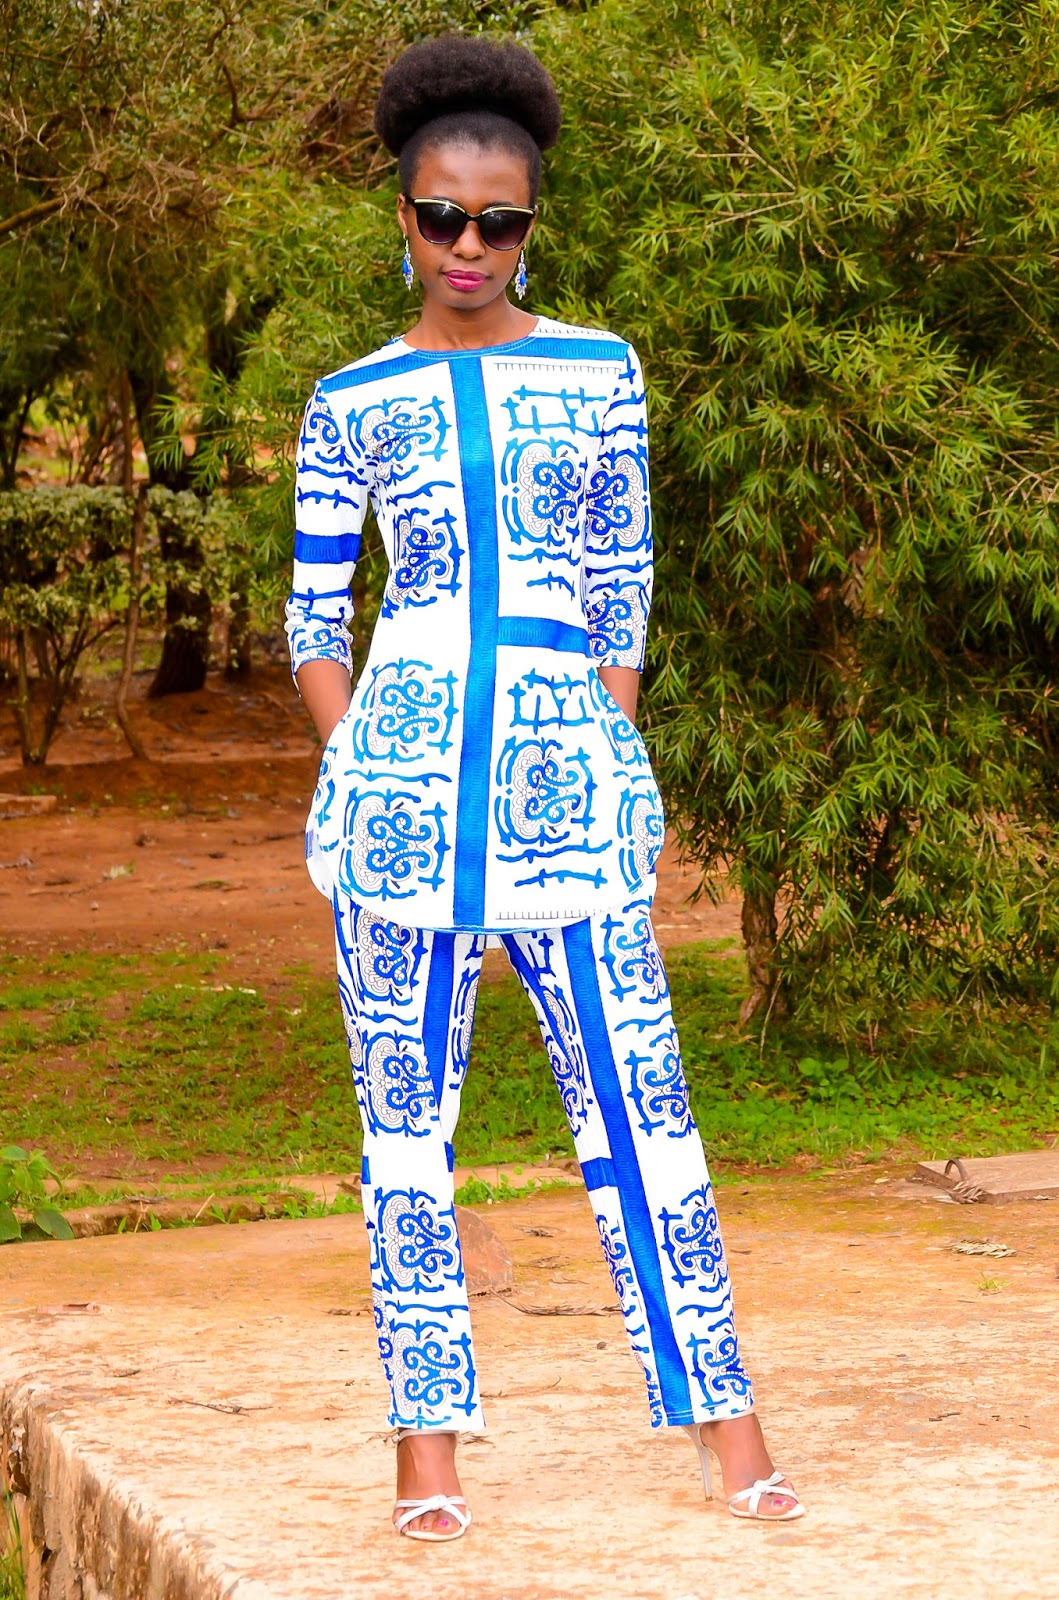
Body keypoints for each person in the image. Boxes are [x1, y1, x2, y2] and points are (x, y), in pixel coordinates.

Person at [285, 33, 804, 1542]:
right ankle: (425, 1462)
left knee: (646, 1114)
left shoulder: (600, 370)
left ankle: (730, 1427)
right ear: (401, 215)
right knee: (403, 1144)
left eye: (497, 221)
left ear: (533, 224)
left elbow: (622, 590)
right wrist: (360, 756)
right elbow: (316, 620)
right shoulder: (347, 401)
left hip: (571, 801)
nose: (468, 244)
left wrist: (605, 744)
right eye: (442, 214)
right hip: (398, 815)